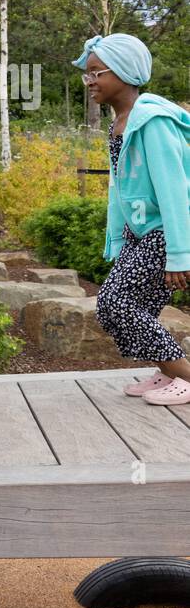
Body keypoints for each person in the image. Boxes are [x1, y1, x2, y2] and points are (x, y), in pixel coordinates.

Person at [81, 33, 190, 405]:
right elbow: (120, 189)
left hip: (166, 231)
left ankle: (187, 375)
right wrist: (119, 237)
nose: (90, 81)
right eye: (87, 74)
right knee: (124, 308)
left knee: (117, 301)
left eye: (97, 72)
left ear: (125, 73)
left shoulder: (153, 123)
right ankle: (167, 373)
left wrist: (179, 254)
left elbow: (174, 191)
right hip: (140, 233)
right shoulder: (119, 123)